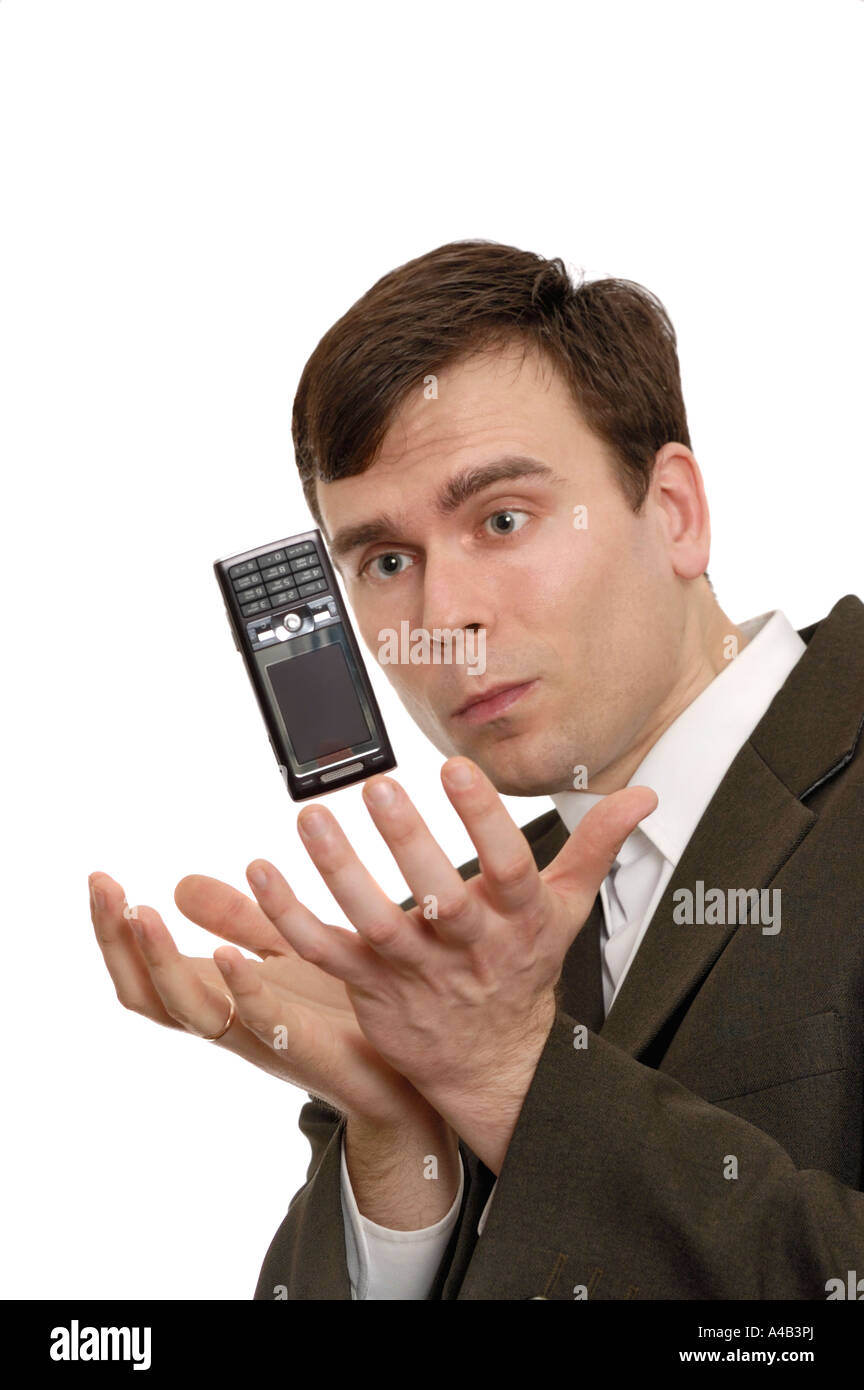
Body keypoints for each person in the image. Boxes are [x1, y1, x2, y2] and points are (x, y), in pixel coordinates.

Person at [90, 240, 864, 1300]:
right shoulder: (455, 946)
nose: (442, 621)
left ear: (675, 510)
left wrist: (511, 1079)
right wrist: (399, 1139)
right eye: (386, 561)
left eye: (502, 518)